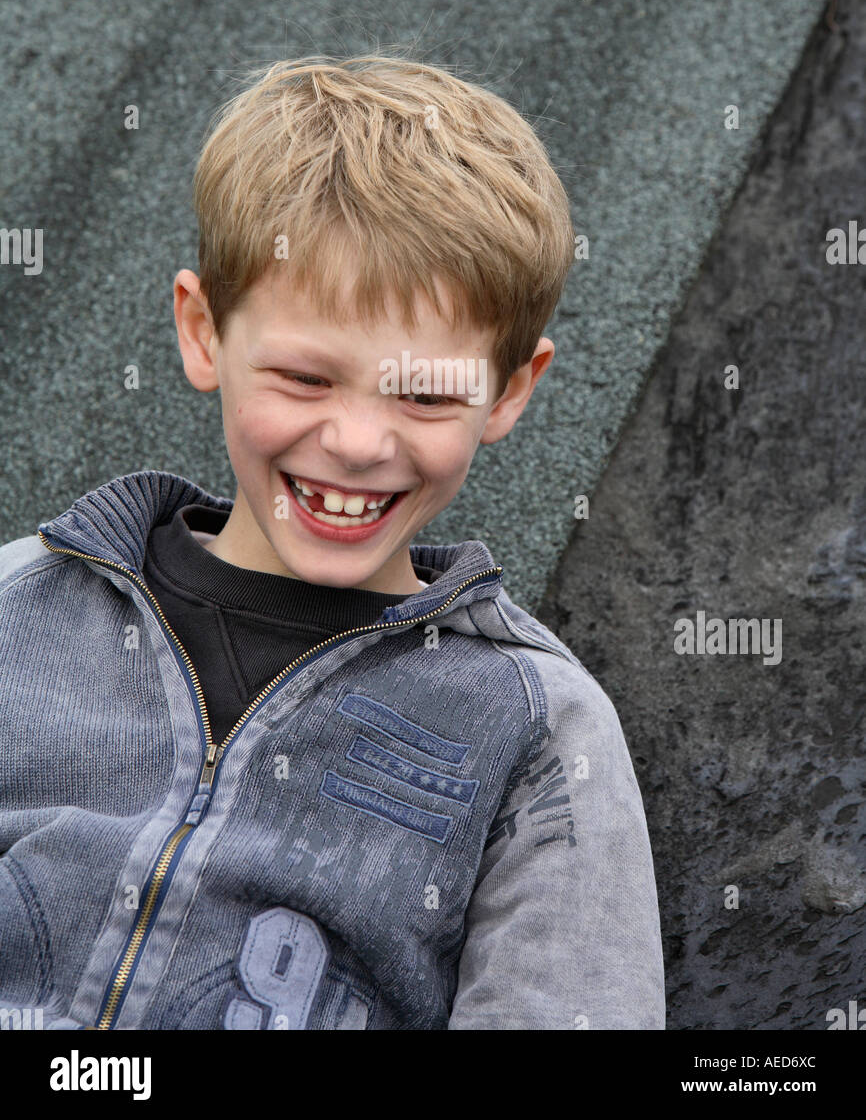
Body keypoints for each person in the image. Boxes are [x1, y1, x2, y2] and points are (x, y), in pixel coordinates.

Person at [0, 53, 665, 1030]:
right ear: (201, 332)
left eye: (425, 393)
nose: (357, 441)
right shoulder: (21, 608)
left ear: (511, 390)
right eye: (306, 378)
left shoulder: (535, 728)